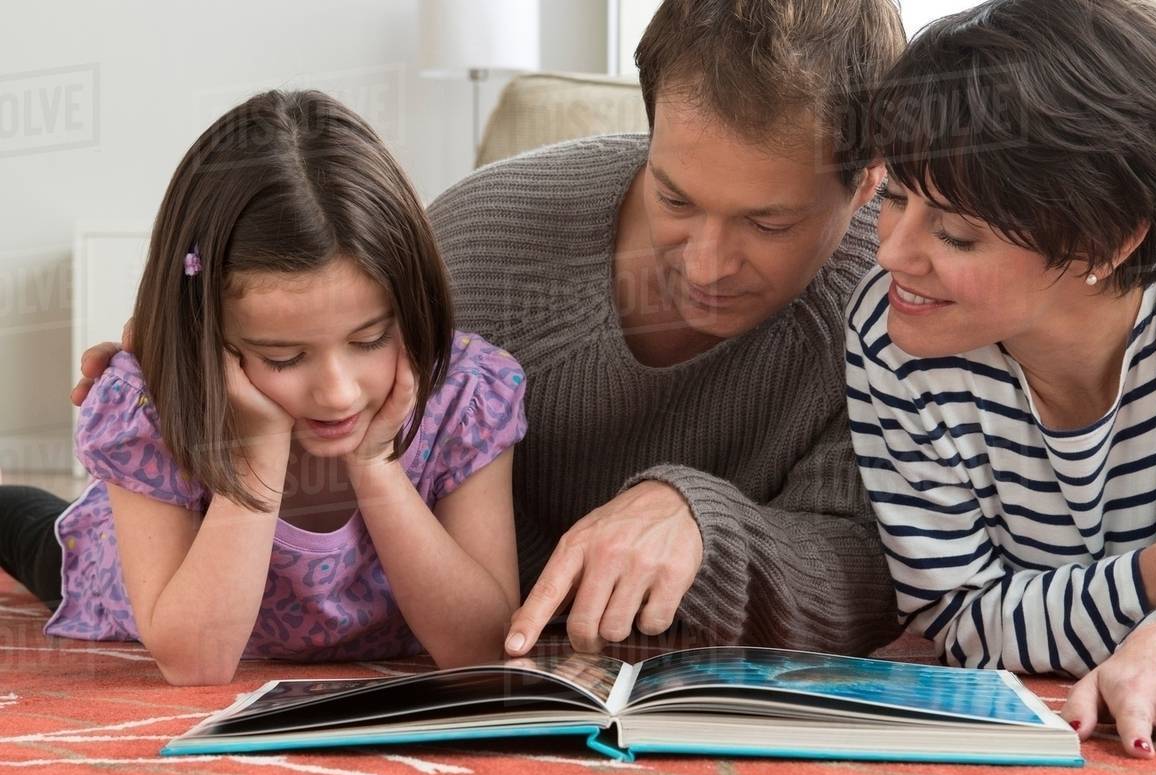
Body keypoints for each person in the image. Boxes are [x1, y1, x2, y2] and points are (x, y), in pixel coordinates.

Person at [74, 0, 908, 658]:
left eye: (768, 224)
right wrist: (172, 349)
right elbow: (316, 313)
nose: (704, 264)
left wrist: (705, 522)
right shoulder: (487, 237)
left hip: (512, 640)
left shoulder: (905, 301)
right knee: (58, 542)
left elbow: (884, 566)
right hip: (327, 583)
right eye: (676, 200)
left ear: (868, 183)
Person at [3, 90, 526, 685]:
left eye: (370, 340)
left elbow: (483, 645)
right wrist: (255, 445)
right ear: (208, 333)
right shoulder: (152, 403)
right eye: (283, 356)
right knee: (22, 525)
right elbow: (196, 664)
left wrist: (377, 465)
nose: (336, 392)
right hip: (129, 585)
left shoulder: (466, 395)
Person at [845, 0, 1156, 757]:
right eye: (895, 198)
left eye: (956, 234)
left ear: (1104, 240)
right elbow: (958, 622)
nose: (892, 257)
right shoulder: (890, 334)